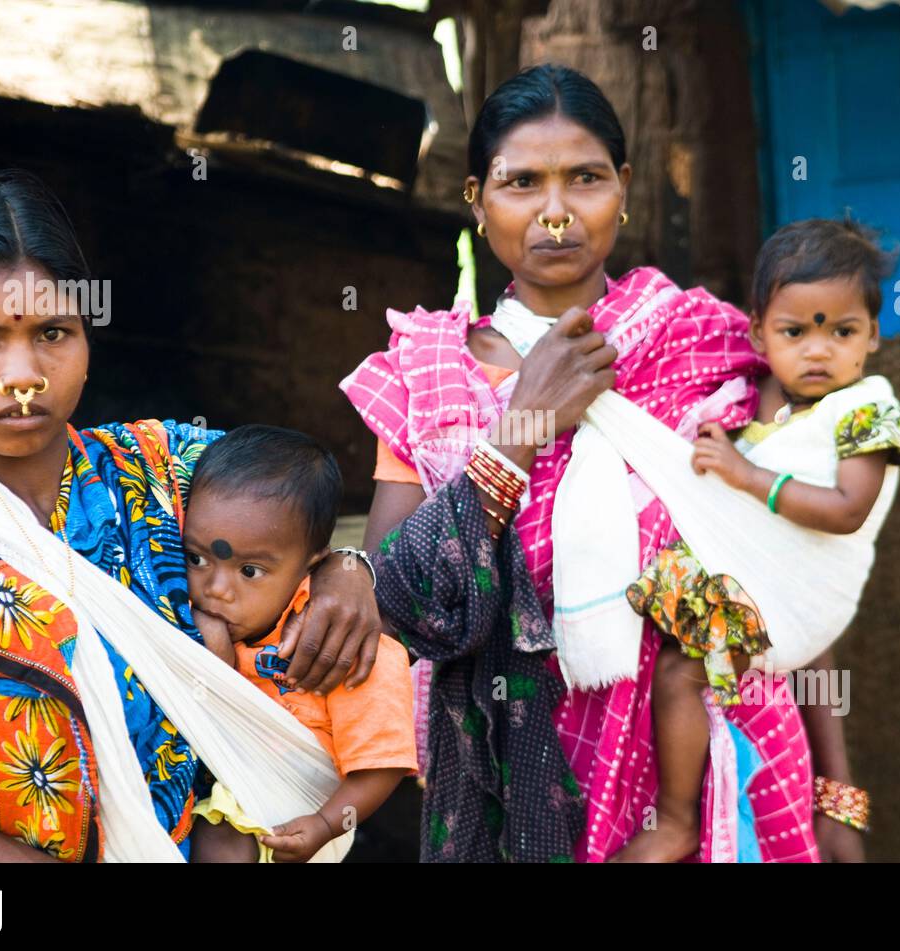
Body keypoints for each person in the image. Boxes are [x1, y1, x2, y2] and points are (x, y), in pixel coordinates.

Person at [342, 64, 861, 862]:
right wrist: (522, 423)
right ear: (477, 200)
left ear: (623, 187)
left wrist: (839, 795)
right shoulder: (425, 376)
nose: (555, 213)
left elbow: (778, 566)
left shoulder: (705, 343)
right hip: (510, 785)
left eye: (584, 178)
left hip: (727, 774)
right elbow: (404, 598)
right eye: (522, 184)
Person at [0, 172, 383, 862]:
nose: (23, 373)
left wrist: (348, 567)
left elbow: (304, 512)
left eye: (52, 332)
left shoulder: (167, 473)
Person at [616, 217, 900, 861]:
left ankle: (673, 820)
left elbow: (846, 512)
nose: (819, 351)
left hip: (794, 614)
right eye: (794, 332)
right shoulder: (743, 400)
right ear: (757, 333)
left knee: (686, 670)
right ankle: (677, 817)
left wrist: (747, 475)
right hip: (737, 610)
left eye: (842, 332)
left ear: (872, 337)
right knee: (678, 670)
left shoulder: (868, 408)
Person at [180, 425, 416, 862]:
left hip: (292, 816)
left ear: (312, 564)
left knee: (221, 843)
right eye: (196, 558)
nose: (216, 589)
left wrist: (327, 825)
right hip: (214, 788)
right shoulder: (177, 614)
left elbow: (382, 765)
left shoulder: (345, 648)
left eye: (249, 571)